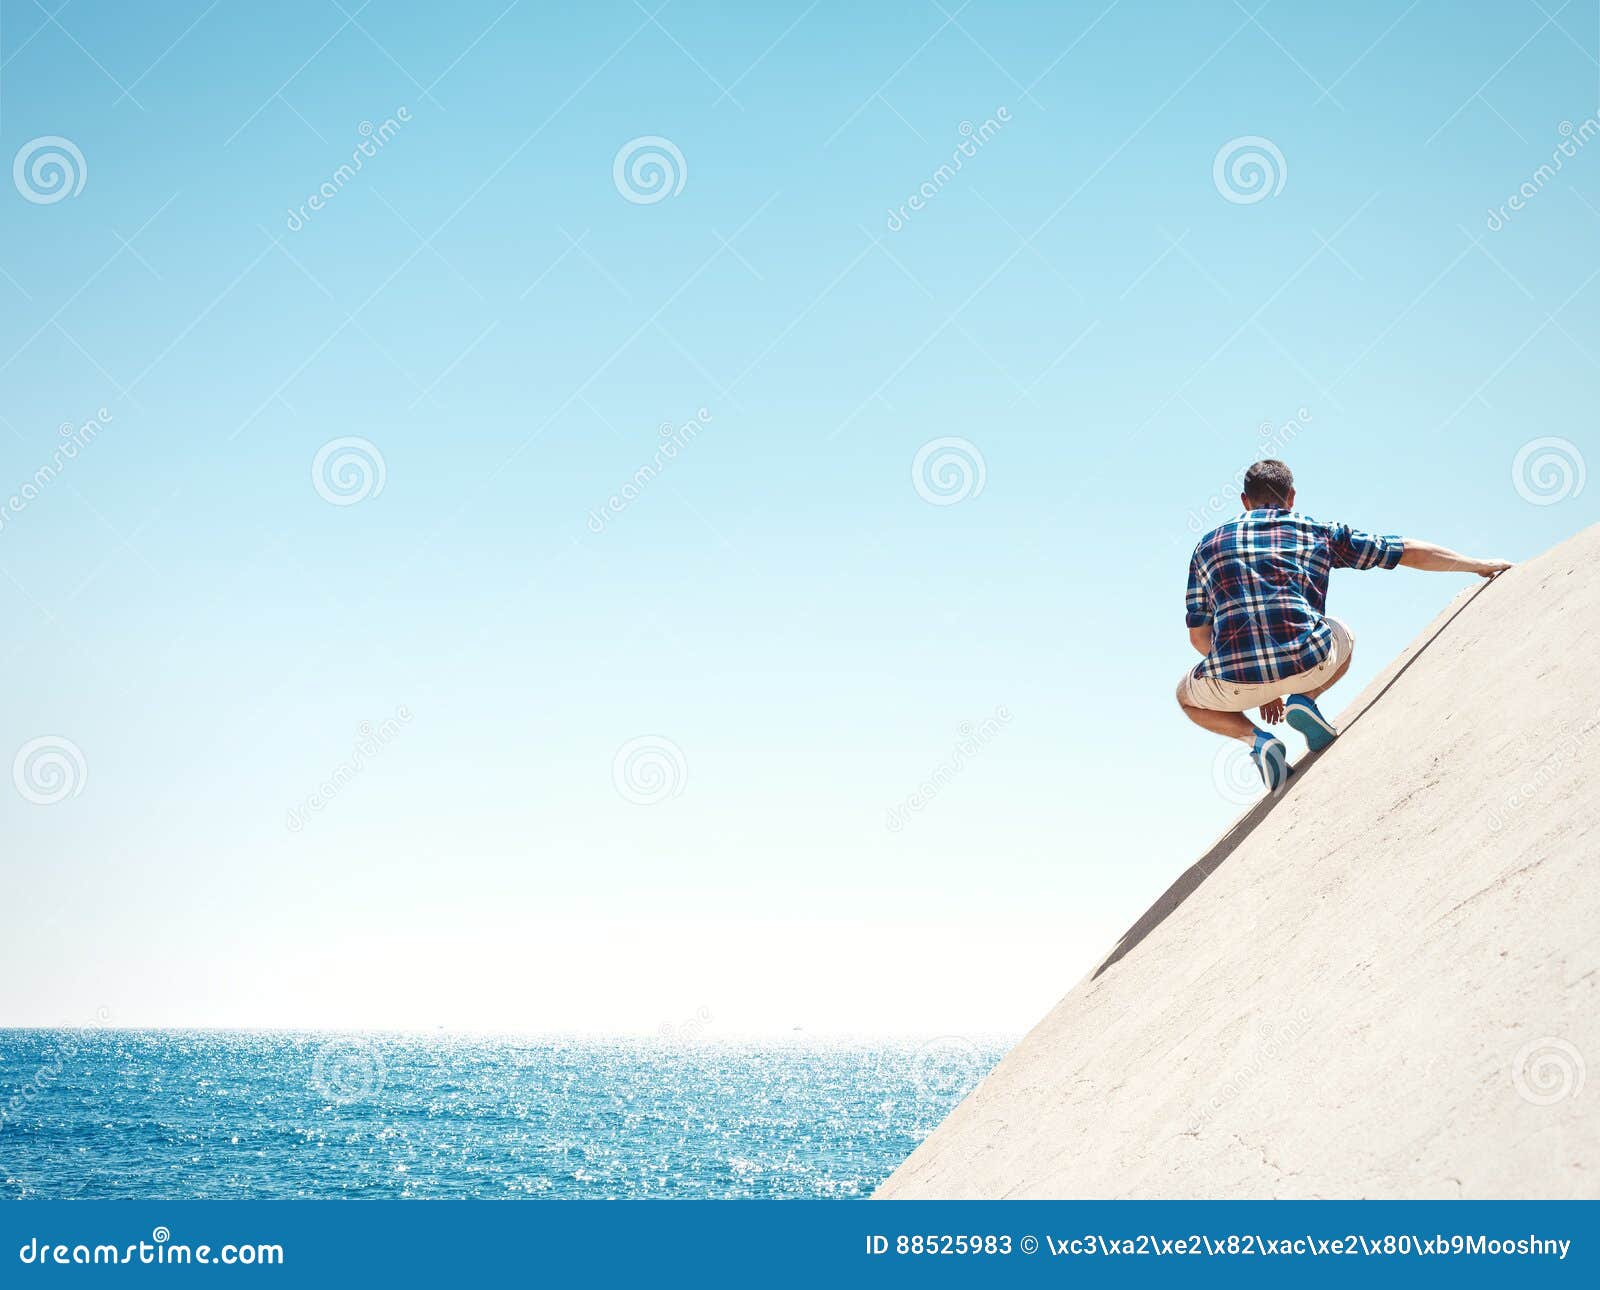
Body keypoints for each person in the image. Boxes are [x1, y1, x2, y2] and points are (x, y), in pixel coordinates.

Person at [1178, 459, 1511, 790]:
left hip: (1236, 682)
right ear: (1291, 496)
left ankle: (1257, 741)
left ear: (1244, 501)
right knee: (1342, 631)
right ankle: (1304, 699)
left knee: (1186, 698)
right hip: (1311, 661)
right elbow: (1405, 550)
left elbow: (1199, 637)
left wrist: (1253, 676)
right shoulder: (1317, 532)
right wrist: (1479, 565)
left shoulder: (1206, 547)